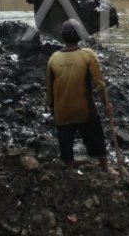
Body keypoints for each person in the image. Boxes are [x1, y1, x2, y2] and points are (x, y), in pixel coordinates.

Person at [46, 20, 114, 172]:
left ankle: (70, 168)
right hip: (84, 111)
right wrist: (106, 104)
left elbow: (49, 88)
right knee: (95, 136)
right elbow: (99, 84)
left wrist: (52, 107)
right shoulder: (88, 55)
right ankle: (104, 166)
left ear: (63, 37)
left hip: (62, 111)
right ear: (80, 37)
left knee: (65, 141)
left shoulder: (53, 59)